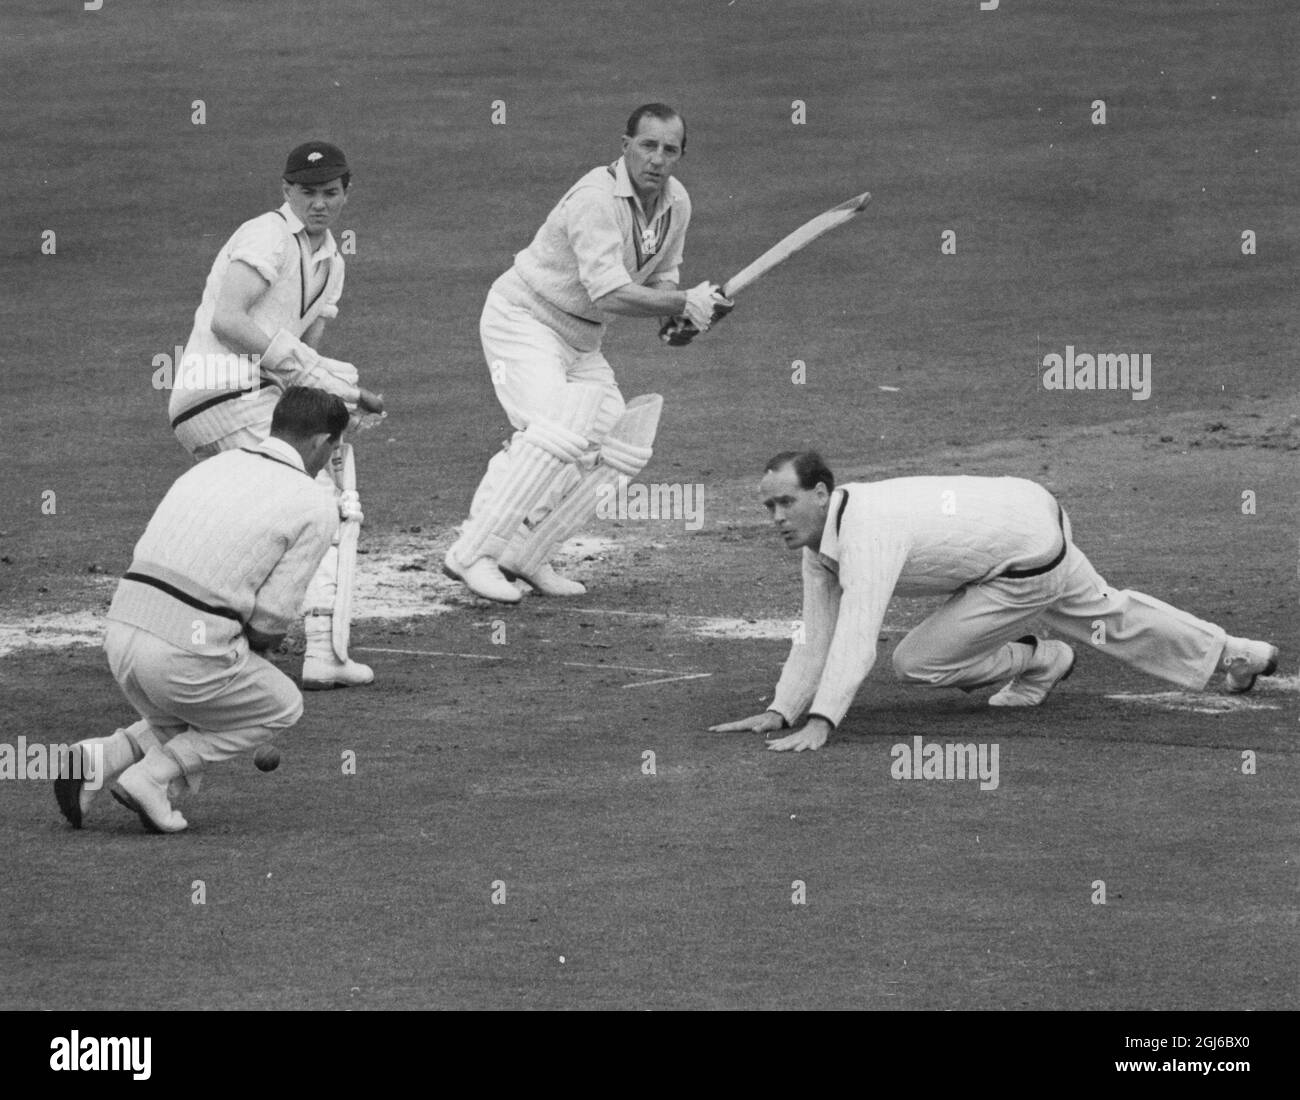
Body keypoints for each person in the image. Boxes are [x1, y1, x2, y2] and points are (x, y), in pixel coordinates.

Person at [709, 451, 1279, 752]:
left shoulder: (868, 531)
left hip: (1023, 558)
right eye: (769, 508)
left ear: (821, 493)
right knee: (1110, 615)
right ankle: (1237, 653)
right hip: (1028, 513)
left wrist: (822, 721)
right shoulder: (820, 546)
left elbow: (855, 639)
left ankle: (1038, 658)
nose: (778, 518)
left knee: (915, 663)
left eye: (786, 502)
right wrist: (782, 709)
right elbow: (815, 633)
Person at [442, 103, 733, 604]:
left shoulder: (676, 203)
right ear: (625, 146)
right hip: (524, 319)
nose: (657, 159)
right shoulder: (595, 199)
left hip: (582, 339)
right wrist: (685, 301)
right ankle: (473, 553)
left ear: (681, 155)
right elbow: (610, 293)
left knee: (620, 442)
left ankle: (528, 552)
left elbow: (662, 279)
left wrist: (679, 321)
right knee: (556, 430)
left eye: (670, 150)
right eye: (647, 146)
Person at [54, 388, 353, 833]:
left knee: (194, 709)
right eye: (336, 447)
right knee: (280, 704)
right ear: (320, 441)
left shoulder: (217, 464)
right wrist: (255, 652)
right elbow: (270, 622)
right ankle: (151, 778)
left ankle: (101, 757)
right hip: (179, 656)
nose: (332, 457)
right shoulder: (315, 504)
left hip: (120, 635)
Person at [166, 140, 382, 687]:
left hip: (241, 398)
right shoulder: (266, 234)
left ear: (346, 192)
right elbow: (229, 322)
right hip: (222, 393)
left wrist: (344, 393)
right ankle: (323, 654)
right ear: (287, 191)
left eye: (330, 193)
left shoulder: (332, 262)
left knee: (252, 521)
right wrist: (327, 381)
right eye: (307, 192)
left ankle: (204, 641)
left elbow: (300, 371)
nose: (319, 204)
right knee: (319, 506)